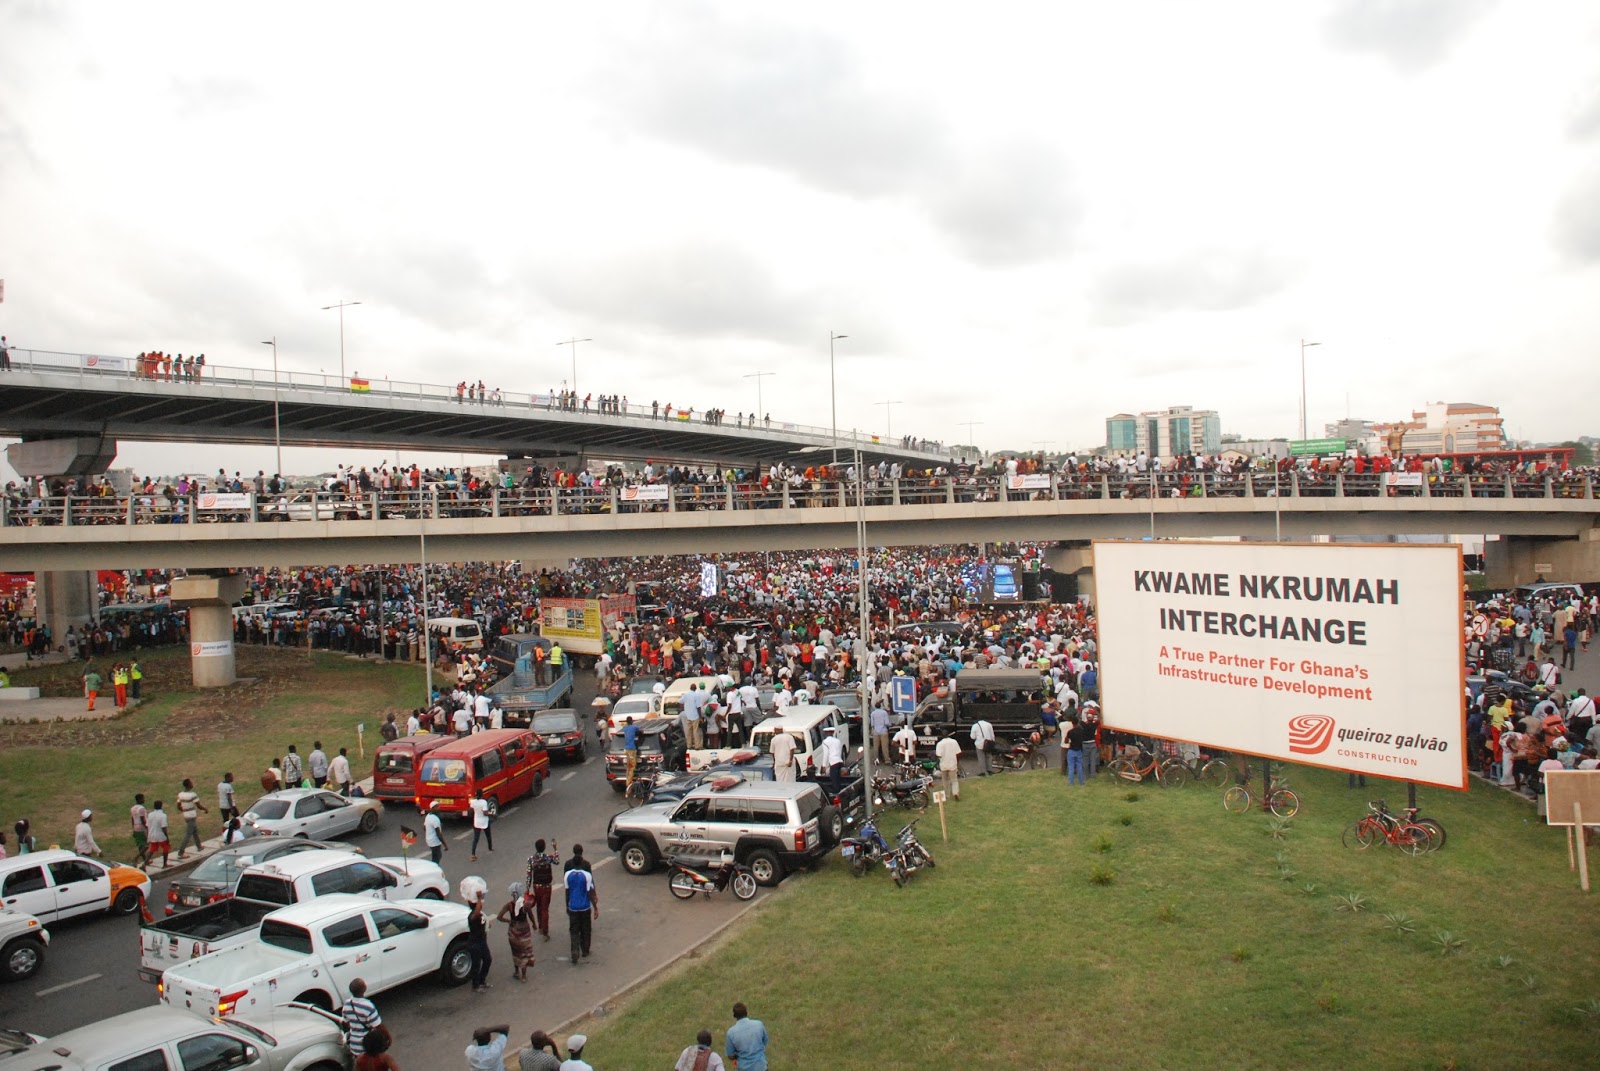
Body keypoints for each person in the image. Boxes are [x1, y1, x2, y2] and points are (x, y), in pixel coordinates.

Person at [496, 881, 537, 981]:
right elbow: (530, 915)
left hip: (513, 931)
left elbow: (499, 917)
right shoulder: (525, 905)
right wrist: (534, 924)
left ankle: (516, 972)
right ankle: (523, 976)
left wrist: (509, 921)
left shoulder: (509, 905)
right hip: (524, 931)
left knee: (515, 951)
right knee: (524, 953)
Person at [564, 844, 598, 965]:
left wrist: (567, 905)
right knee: (586, 928)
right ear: (582, 852)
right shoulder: (587, 869)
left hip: (573, 906)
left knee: (574, 930)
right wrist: (595, 906)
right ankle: (585, 950)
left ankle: (574, 950)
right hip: (585, 907)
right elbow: (590, 890)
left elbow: (567, 891)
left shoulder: (568, 870)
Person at [342, 977, 383, 1061]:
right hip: (368, 1045)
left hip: (354, 1046)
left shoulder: (347, 1004)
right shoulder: (368, 1006)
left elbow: (345, 1023)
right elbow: (378, 1026)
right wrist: (387, 1038)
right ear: (364, 989)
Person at [527, 838, 559, 940]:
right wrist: (555, 849)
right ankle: (545, 931)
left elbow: (529, 875)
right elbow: (557, 861)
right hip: (547, 887)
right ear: (544, 848)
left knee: (539, 906)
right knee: (545, 909)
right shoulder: (548, 858)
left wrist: (527, 888)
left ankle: (541, 926)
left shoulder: (531, 859)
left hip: (537, 887)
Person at [725, 1003, 768, 1071]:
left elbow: (730, 1055)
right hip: (761, 1066)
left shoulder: (731, 1033)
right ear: (746, 1012)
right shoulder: (759, 1024)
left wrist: (738, 1055)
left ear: (734, 1015)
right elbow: (765, 1041)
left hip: (744, 1068)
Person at [467, 891, 494, 992]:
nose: (481, 904)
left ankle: (482, 981)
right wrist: (479, 898)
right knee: (476, 965)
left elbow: (485, 923)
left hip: (482, 942)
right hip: (474, 944)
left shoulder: (481, 914)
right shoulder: (472, 916)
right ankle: (475, 985)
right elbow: (477, 912)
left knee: (488, 960)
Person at [176, 778, 207, 858]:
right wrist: (205, 809)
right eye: (191, 783)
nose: (192, 784)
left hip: (186, 815)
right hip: (191, 815)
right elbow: (198, 805)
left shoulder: (180, 794)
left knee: (195, 831)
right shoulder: (193, 794)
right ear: (188, 785)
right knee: (188, 833)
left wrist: (184, 810)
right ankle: (181, 852)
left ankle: (199, 846)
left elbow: (178, 806)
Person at [819, 725, 845, 796]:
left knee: (834, 779)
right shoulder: (838, 741)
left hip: (833, 762)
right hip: (840, 761)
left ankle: (836, 794)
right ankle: (841, 791)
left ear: (826, 733)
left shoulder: (825, 742)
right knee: (839, 779)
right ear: (832, 733)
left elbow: (826, 754)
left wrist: (824, 766)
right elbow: (839, 752)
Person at [935, 733, 961, 800]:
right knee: (954, 780)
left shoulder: (940, 744)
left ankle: (947, 795)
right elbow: (958, 753)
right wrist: (957, 761)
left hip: (943, 764)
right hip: (952, 764)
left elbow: (938, 755)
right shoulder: (954, 742)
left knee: (945, 780)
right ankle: (955, 793)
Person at [469, 788, 494, 861]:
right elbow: (485, 813)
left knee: (476, 839)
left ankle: (473, 854)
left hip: (477, 821)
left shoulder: (473, 802)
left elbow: (470, 810)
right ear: (482, 794)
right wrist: (492, 814)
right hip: (484, 821)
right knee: (488, 835)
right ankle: (490, 848)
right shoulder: (484, 802)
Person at [146, 801, 171, 868]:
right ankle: (165, 864)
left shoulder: (150, 815)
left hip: (152, 834)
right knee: (166, 847)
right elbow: (164, 828)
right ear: (161, 806)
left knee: (152, 849)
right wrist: (167, 837)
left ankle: (144, 864)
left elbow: (147, 825)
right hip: (160, 835)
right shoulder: (163, 816)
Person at [130, 793, 150, 867]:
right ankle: (136, 858)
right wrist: (147, 828)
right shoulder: (141, 808)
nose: (144, 800)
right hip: (141, 828)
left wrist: (133, 828)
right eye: (143, 798)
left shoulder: (132, 808)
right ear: (140, 799)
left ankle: (145, 860)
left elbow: (132, 819)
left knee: (140, 845)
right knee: (147, 845)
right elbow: (143, 820)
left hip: (136, 827)